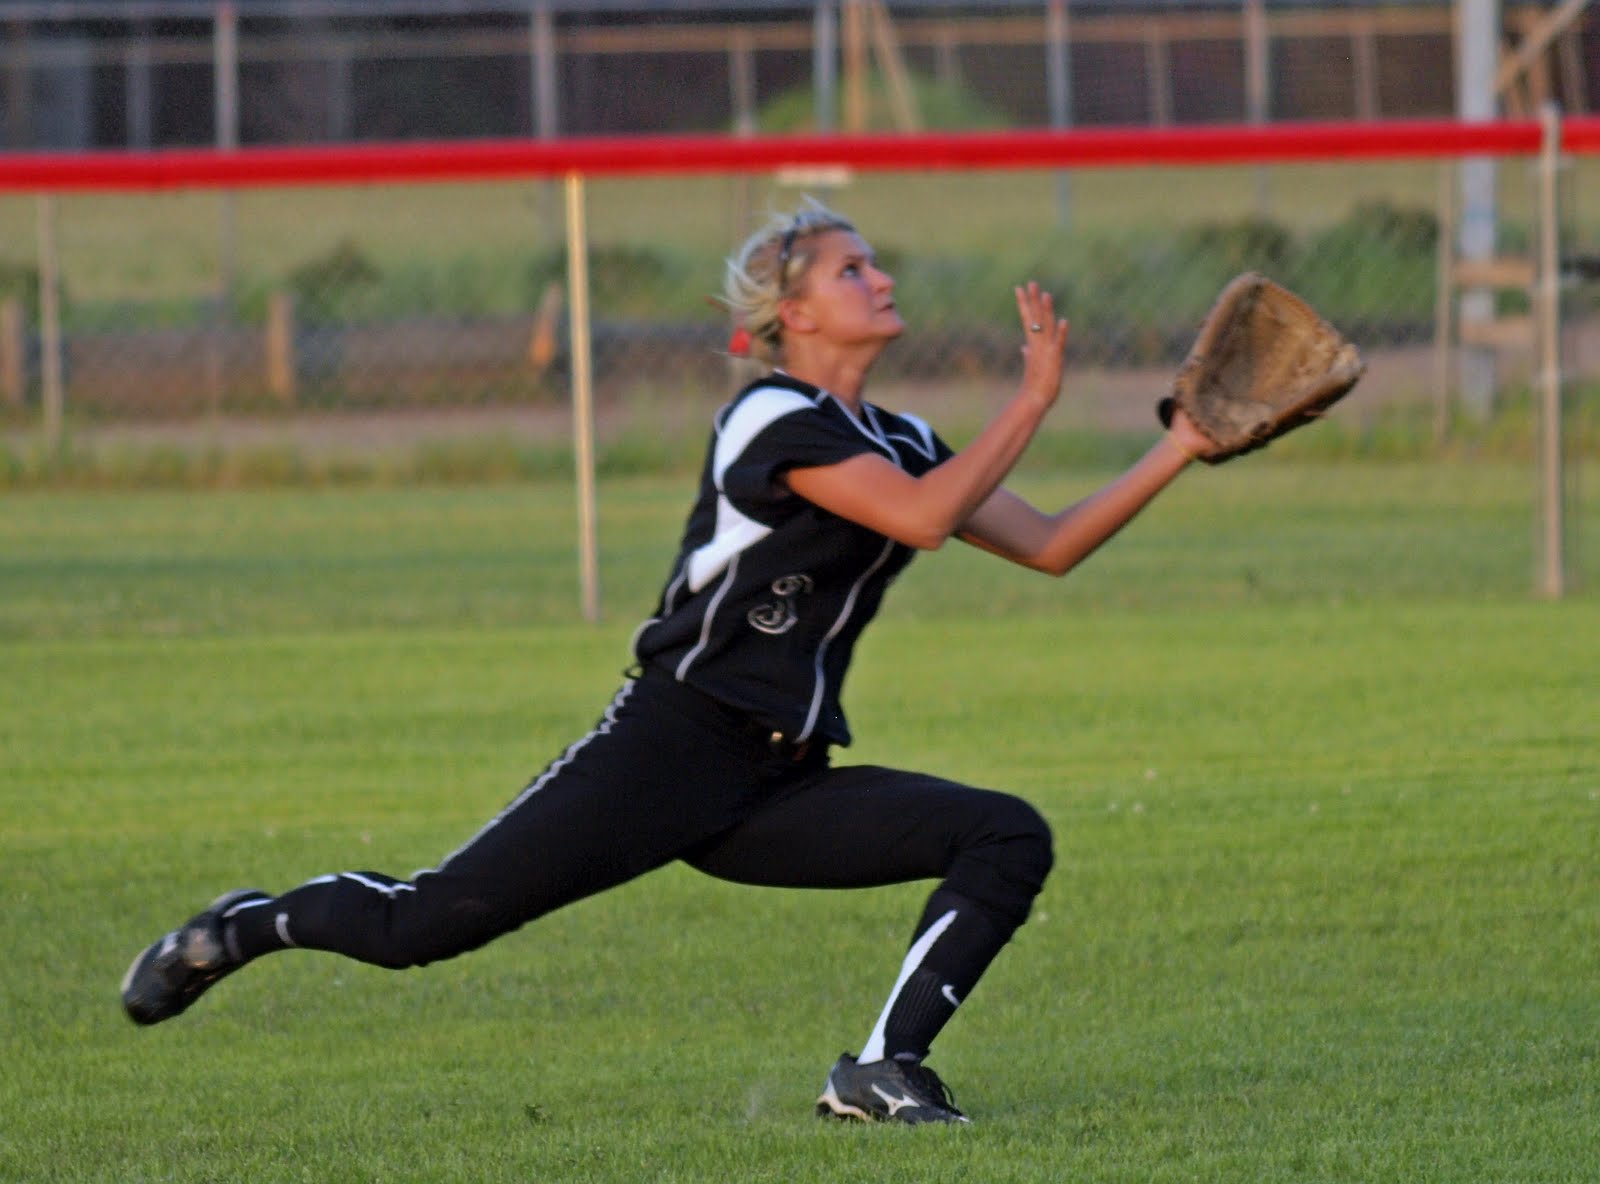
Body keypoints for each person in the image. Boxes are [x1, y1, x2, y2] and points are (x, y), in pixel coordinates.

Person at [121, 199, 1217, 1125]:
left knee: (1004, 833)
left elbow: (1051, 544)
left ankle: (883, 1067)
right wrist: (1032, 398)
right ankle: (238, 928)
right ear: (794, 314)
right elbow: (924, 520)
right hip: (668, 743)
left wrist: (1181, 444)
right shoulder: (767, 417)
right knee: (421, 926)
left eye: (873, 262)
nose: (881, 278)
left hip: (776, 775)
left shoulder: (903, 439)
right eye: (852, 268)